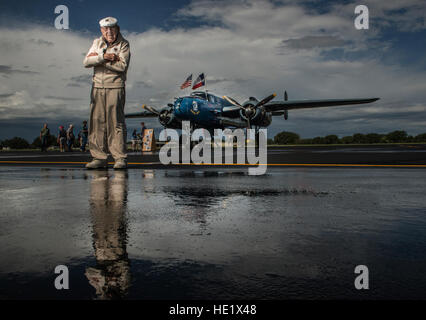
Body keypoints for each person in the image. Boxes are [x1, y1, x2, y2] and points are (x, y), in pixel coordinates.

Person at [83, 17, 131, 169]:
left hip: (115, 86)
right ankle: (99, 157)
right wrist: (104, 58)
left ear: (117, 28)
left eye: (112, 28)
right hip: (97, 86)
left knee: (115, 122)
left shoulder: (124, 44)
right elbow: (86, 62)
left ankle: (119, 158)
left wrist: (97, 60)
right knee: (96, 122)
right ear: (101, 31)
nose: (109, 32)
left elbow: (122, 66)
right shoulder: (96, 43)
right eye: (106, 29)